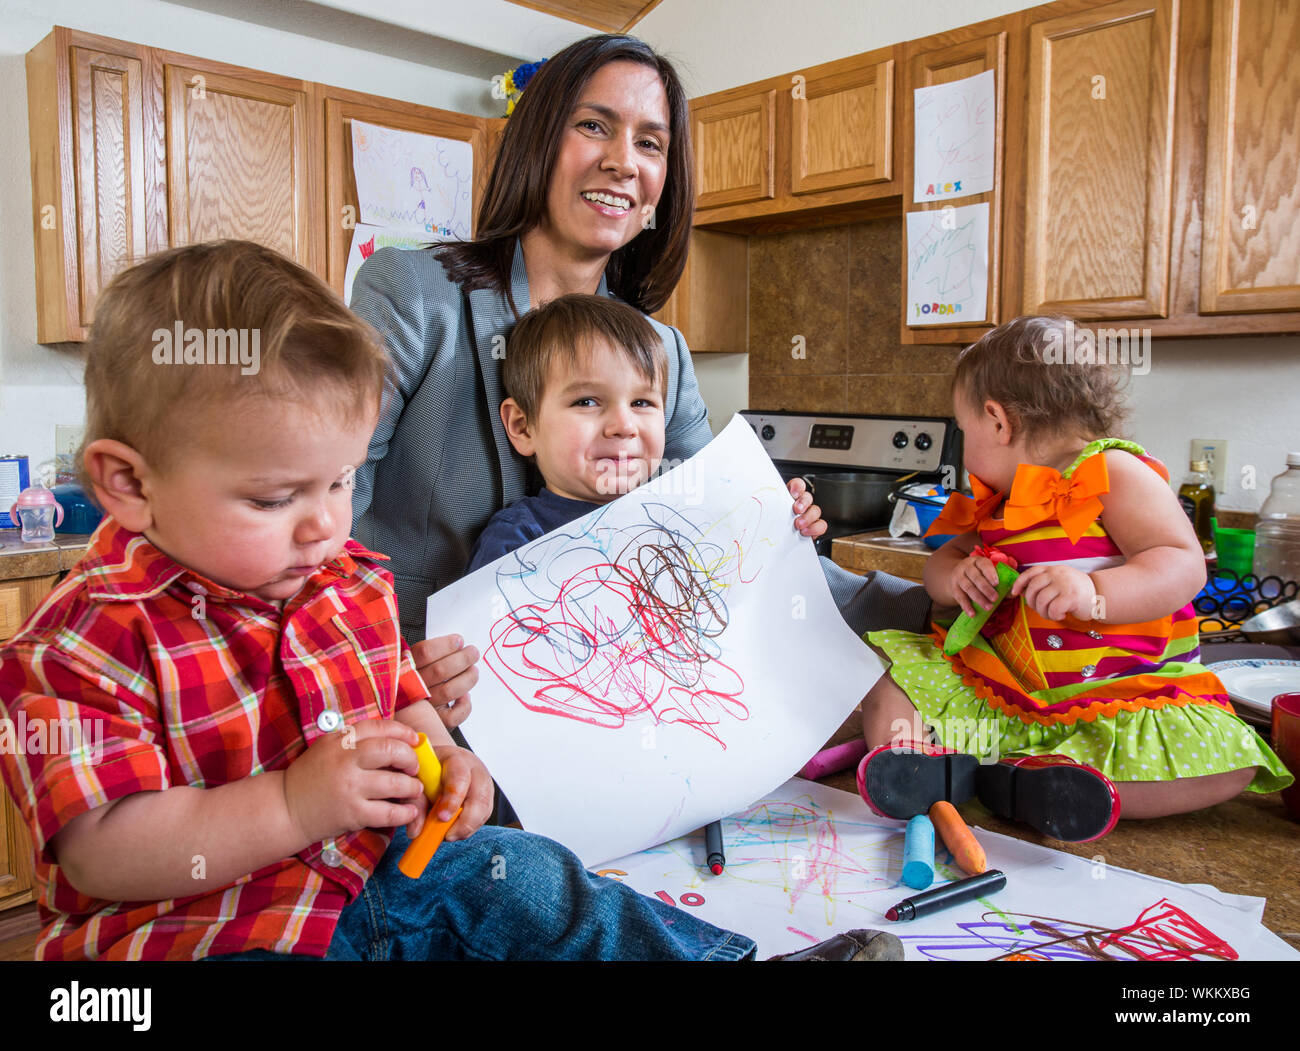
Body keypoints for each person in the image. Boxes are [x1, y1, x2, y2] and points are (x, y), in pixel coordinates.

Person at [0, 241, 899, 962]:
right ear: (127, 482)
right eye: (275, 498)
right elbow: (98, 849)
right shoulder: (81, 639)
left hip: (392, 879)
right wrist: (293, 806)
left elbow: (395, 691)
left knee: (538, 882)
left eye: (342, 481)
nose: (322, 525)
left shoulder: (341, 576)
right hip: (207, 935)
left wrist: (444, 757)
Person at [348, 33, 931, 734]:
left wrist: (929, 604)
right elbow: (319, 514)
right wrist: (383, 665)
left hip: (596, 720)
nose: (623, 161)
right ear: (538, 141)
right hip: (411, 702)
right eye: (594, 125)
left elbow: (715, 538)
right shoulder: (412, 293)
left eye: (650, 144)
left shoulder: (661, 350)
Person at [856, 316, 1291, 842]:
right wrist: (954, 578)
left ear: (997, 421)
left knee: (1228, 769)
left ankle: (1023, 780)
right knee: (893, 676)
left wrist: (1095, 592)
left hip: (1121, 695)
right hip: (1005, 691)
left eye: (962, 430)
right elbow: (942, 561)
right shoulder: (997, 498)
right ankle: (927, 767)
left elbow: (1181, 561)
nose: (963, 446)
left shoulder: (1112, 472)